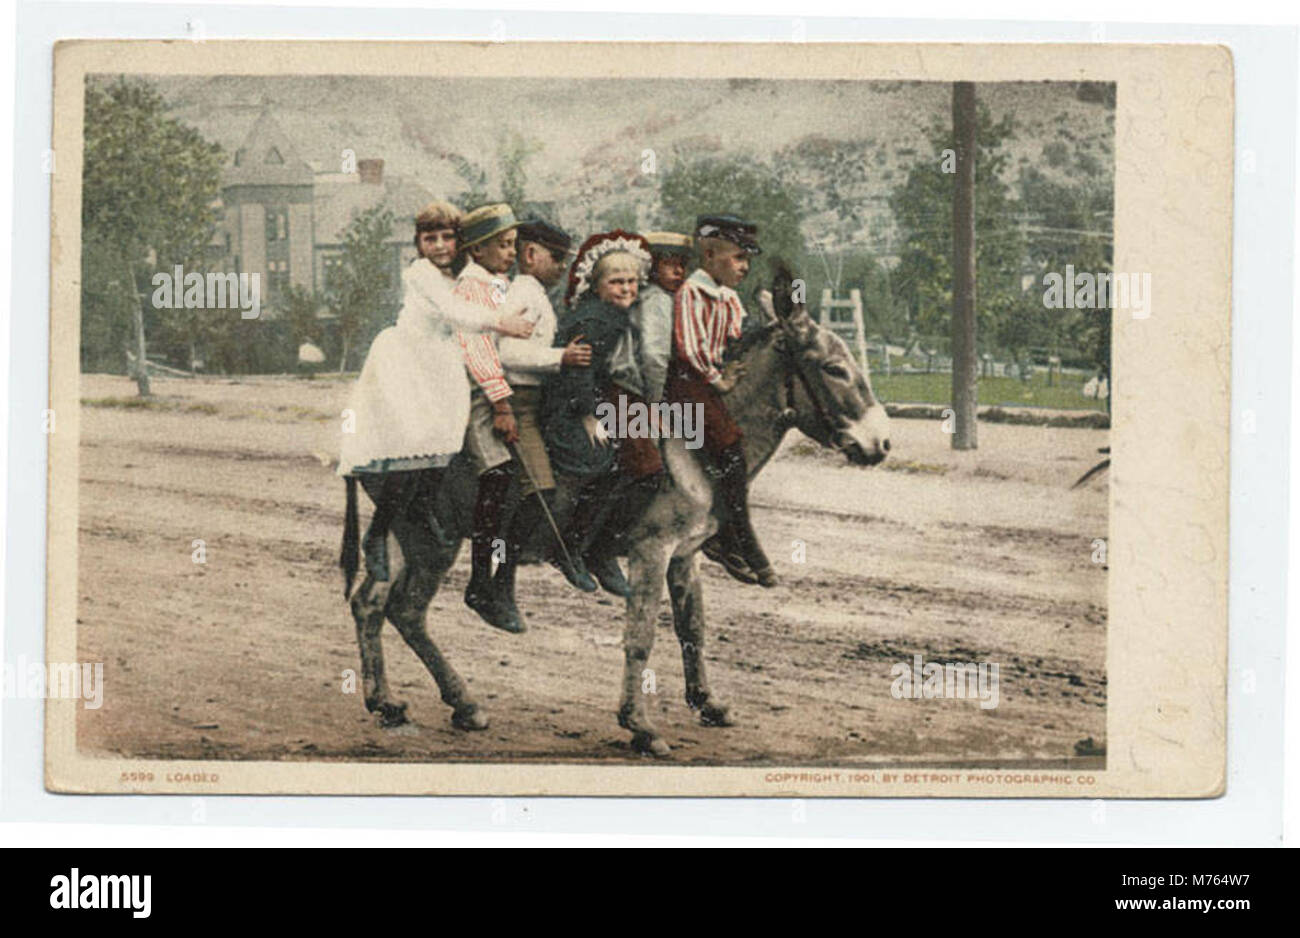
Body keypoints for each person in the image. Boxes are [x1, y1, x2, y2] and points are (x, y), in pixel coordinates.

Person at [338, 201, 533, 593]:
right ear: (418, 243)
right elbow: (454, 311)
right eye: (431, 239)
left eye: (448, 237)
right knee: (406, 447)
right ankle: (377, 533)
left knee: (441, 445)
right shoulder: (421, 274)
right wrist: (502, 322)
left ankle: (423, 508)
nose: (440, 246)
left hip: (442, 368)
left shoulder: (460, 274)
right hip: (408, 360)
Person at [665, 214, 776, 588]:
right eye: (738, 258)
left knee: (730, 447)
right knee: (729, 447)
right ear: (710, 255)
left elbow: (734, 339)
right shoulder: (690, 294)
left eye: (747, 260)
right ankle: (731, 536)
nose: (744, 267)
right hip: (688, 383)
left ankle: (726, 530)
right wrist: (719, 379)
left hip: (711, 381)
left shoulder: (728, 298)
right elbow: (690, 348)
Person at [493, 218, 597, 615]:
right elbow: (506, 353)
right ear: (530, 254)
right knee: (540, 489)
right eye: (556, 258)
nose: (561, 267)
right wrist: (561, 357)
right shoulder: (522, 292)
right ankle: (501, 583)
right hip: (519, 401)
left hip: (540, 399)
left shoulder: (536, 293)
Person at [542, 231, 655, 595]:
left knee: (641, 454)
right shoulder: (594, 319)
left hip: (595, 397)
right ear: (598, 285)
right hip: (569, 404)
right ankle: (575, 547)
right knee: (607, 460)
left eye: (632, 282)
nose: (626, 289)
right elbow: (579, 369)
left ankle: (600, 548)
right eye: (616, 282)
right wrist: (590, 415)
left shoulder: (616, 315)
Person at [452, 203, 528, 631]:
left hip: (497, 386)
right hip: (474, 396)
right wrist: (501, 404)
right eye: (502, 245)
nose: (510, 253)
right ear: (476, 251)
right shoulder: (470, 287)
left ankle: (498, 576)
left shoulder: (497, 284)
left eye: (514, 245)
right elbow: (476, 349)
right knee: (497, 478)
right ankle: (481, 580)